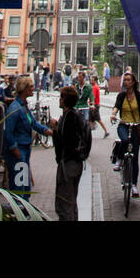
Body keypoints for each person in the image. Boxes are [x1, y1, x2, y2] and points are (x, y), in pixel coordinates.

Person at [2, 74, 53, 197]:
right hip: (18, 150)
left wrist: (47, 131)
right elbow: (8, 131)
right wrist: (14, 149)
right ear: (24, 89)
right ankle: (20, 209)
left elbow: (33, 123)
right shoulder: (15, 108)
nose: (33, 88)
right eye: (31, 86)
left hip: (24, 149)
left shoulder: (23, 106)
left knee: (24, 183)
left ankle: (25, 208)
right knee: (19, 184)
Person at [110, 71, 140, 198]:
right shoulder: (121, 95)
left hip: (135, 126)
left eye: (128, 80)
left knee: (135, 158)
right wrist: (113, 114)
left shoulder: (139, 95)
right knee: (124, 140)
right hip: (123, 124)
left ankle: (134, 185)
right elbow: (117, 107)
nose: (126, 82)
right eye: (125, 80)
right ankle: (119, 159)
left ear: (133, 82)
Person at [53, 85, 88, 221]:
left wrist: (55, 130)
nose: (59, 99)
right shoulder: (76, 116)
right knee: (72, 201)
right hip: (76, 163)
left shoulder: (68, 118)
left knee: (64, 203)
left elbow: (65, 143)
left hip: (68, 164)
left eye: (61, 97)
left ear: (65, 99)